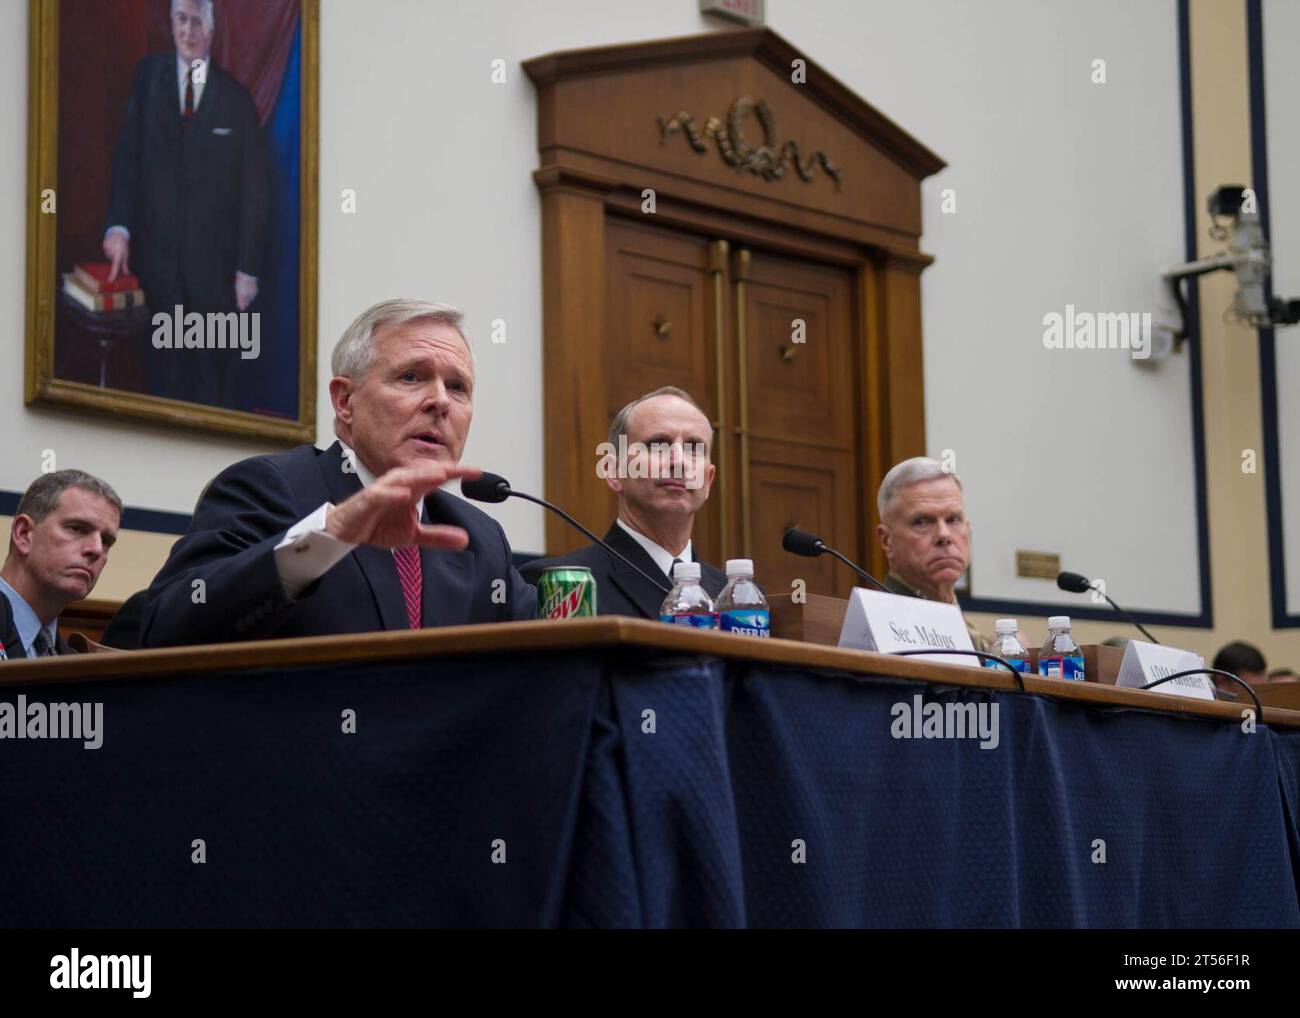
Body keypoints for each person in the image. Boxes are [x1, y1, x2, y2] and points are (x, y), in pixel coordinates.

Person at [139, 299, 536, 647]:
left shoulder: (478, 537)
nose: (439, 401)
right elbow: (166, 628)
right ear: (345, 401)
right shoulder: (268, 487)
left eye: (457, 387)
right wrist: (330, 535)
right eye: (411, 377)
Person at [103, 0, 268, 407]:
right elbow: (127, 159)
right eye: (181, 20)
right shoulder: (147, 80)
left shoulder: (236, 100)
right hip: (155, 270)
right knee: (158, 386)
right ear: (171, 23)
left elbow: (254, 194)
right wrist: (118, 227)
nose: (188, 31)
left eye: (197, 21)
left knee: (209, 390)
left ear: (211, 30)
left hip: (215, 281)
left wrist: (247, 271)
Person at [521, 386, 726, 618]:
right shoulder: (562, 587)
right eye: (657, 444)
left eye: (693, 448)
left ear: (708, 480)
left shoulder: (736, 597)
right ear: (614, 471)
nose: (679, 462)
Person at [0, 471, 122, 660]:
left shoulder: (73, 662)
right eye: (76, 528)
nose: (97, 550)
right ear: (24, 534)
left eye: (106, 541)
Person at [874, 456, 989, 654]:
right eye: (922, 522)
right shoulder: (879, 626)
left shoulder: (973, 635)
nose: (944, 535)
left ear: (968, 530)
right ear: (887, 541)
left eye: (953, 519)